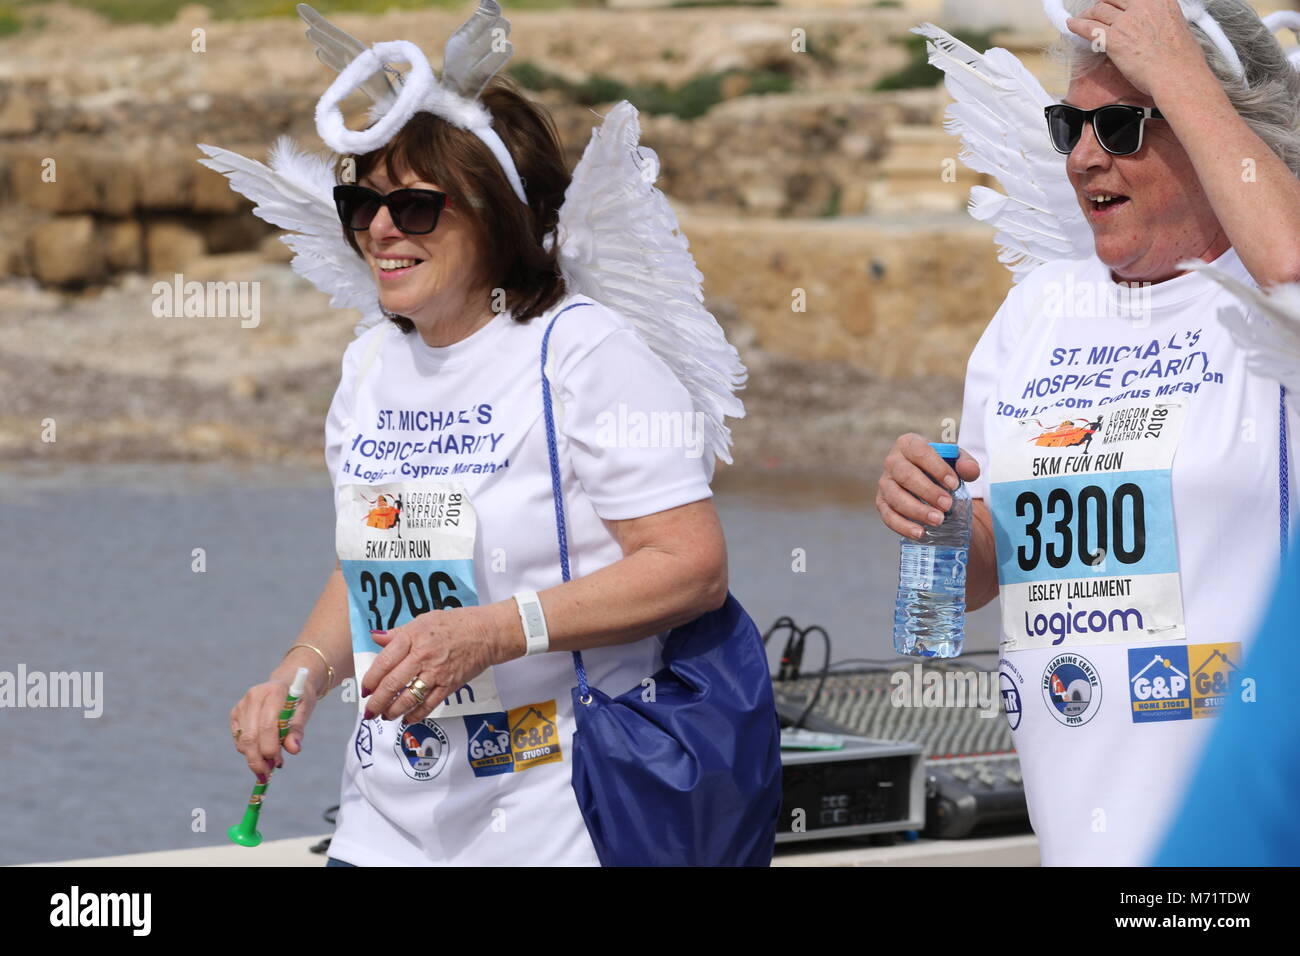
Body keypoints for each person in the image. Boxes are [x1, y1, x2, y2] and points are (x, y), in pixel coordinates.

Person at [219, 3, 757, 866]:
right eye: (361, 203)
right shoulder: (368, 367)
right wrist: (303, 672)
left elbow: (692, 568)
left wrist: (497, 631)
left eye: (417, 208)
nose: (380, 230)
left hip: (557, 819)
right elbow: (371, 559)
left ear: (500, 215)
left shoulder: (583, 351)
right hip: (386, 821)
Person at [875, 0, 1299, 865]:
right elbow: (949, 602)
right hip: (1080, 830)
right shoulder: (1038, 311)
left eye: (1119, 126)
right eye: (1070, 124)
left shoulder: (1271, 308)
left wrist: (1175, 63)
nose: (1081, 157)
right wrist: (934, 518)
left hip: (1249, 830)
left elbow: (1290, 261)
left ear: (1214, 125)